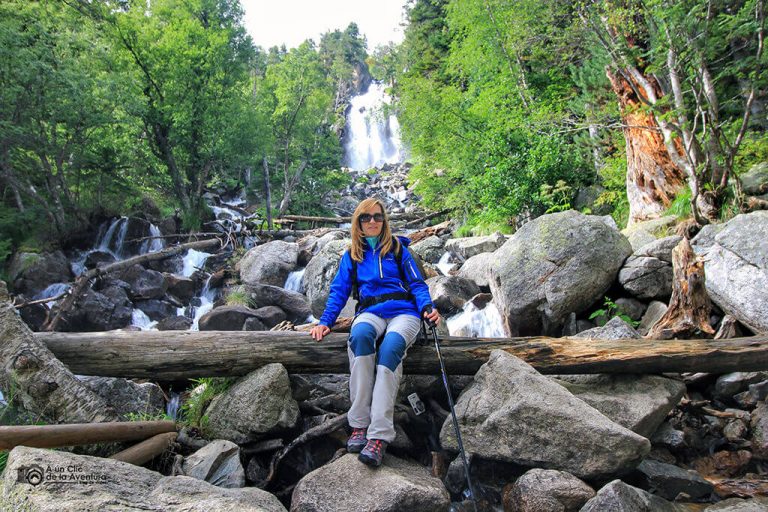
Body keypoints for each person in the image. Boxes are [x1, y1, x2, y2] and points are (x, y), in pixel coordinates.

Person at [310, 197, 441, 467]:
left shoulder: (398, 250)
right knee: (359, 337)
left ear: (384, 221)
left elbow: (417, 284)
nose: (372, 222)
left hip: (404, 312)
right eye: (366, 217)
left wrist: (427, 307)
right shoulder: (352, 255)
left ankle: (379, 435)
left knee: (391, 348)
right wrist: (325, 321)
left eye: (377, 217)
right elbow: (339, 291)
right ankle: (359, 425)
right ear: (357, 222)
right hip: (369, 312)